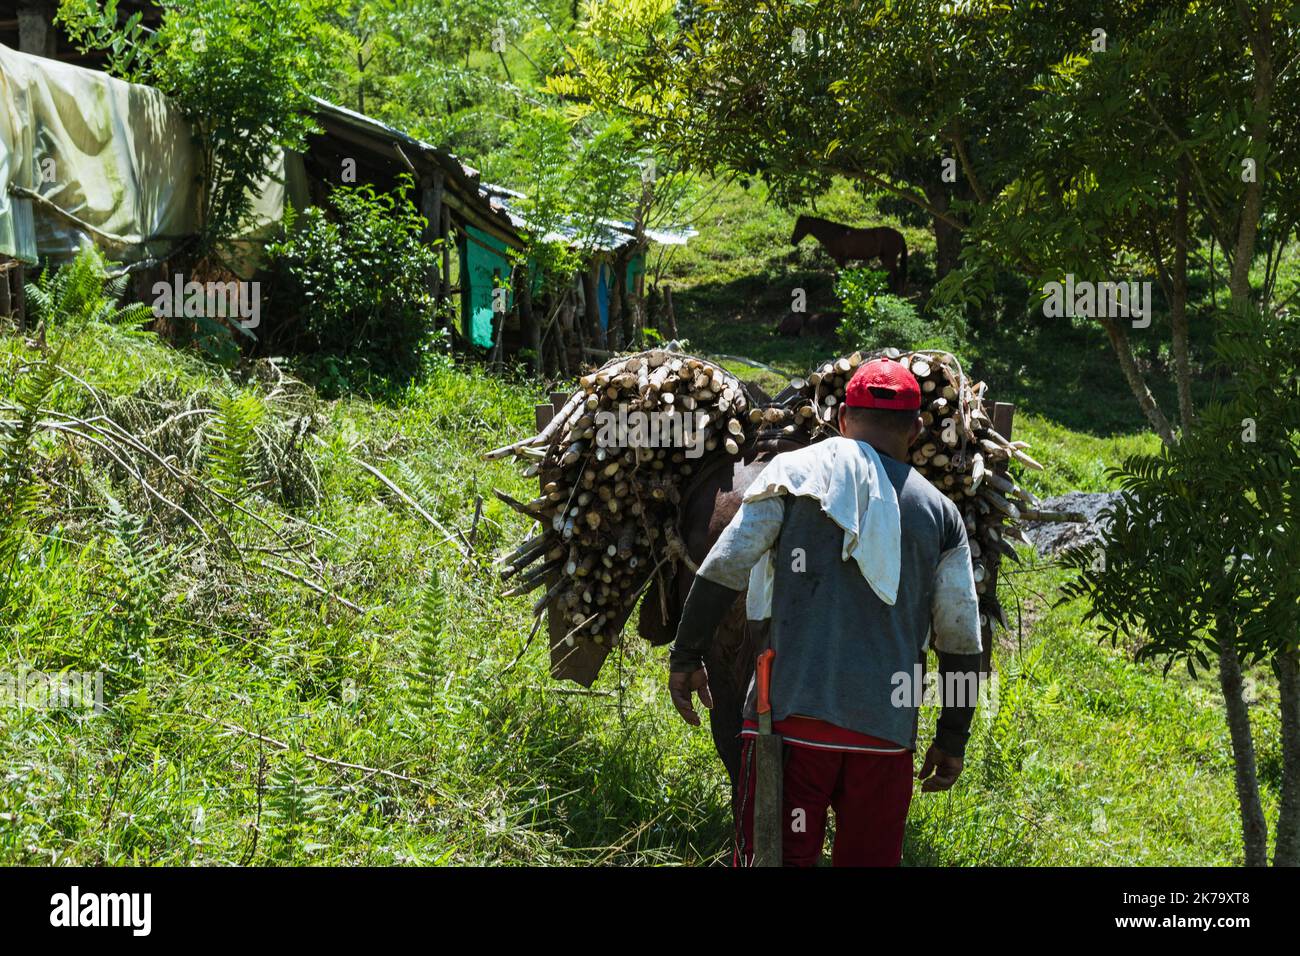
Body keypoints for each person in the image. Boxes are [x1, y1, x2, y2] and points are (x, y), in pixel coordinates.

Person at [667, 357, 984, 866]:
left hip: (784, 728)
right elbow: (961, 641)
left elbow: (724, 568)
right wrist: (952, 735)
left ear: (840, 420)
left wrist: (686, 655)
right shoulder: (941, 515)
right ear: (917, 428)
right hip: (883, 740)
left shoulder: (790, 475)